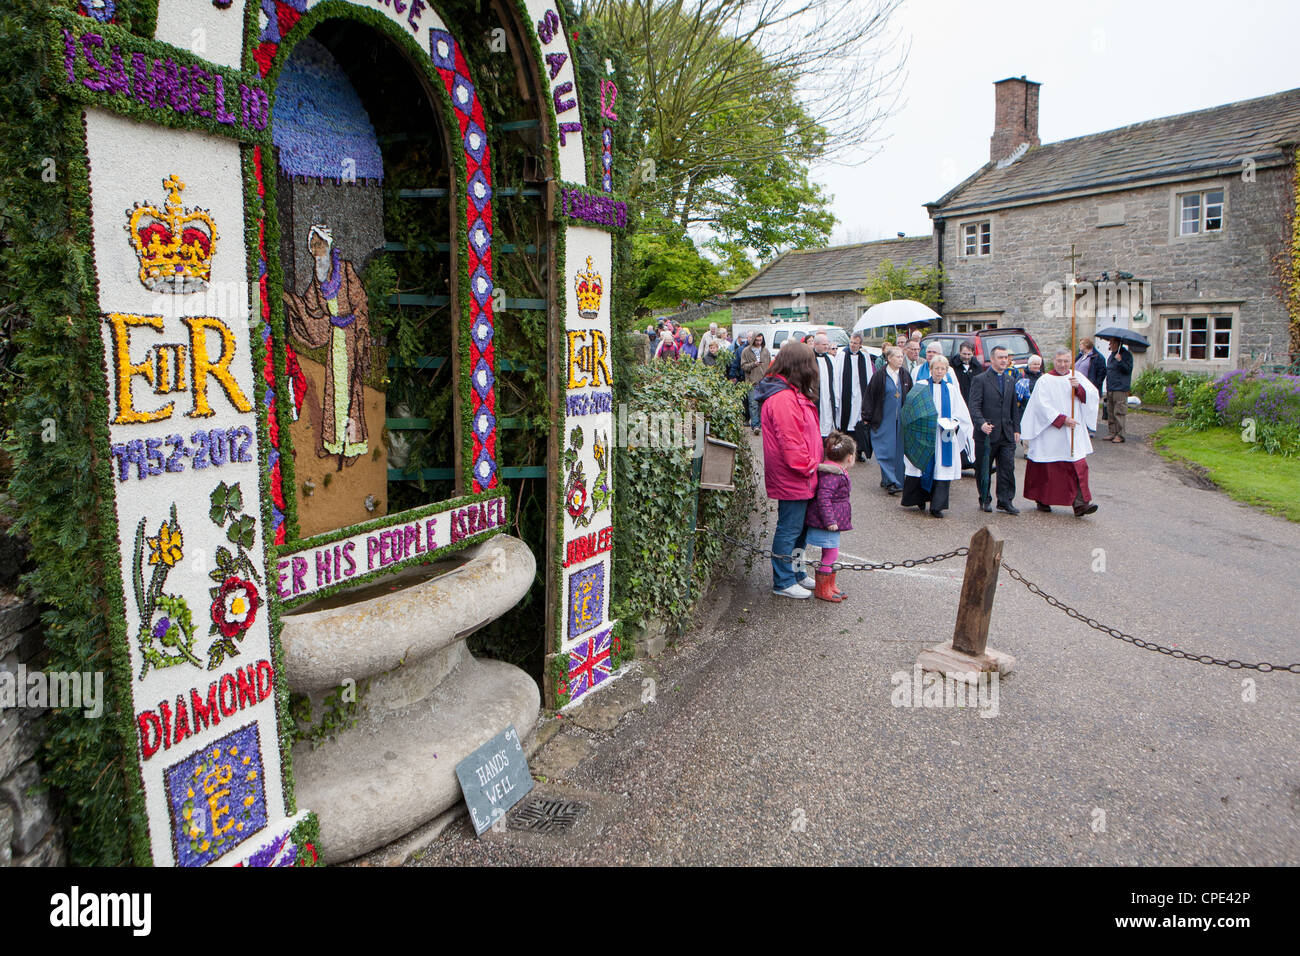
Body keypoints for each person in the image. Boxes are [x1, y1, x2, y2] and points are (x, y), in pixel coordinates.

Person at [283, 224, 372, 463]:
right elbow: (311, 307)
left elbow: (360, 301)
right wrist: (292, 302)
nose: (316, 250)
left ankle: (352, 444)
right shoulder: (319, 276)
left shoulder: (345, 270)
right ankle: (333, 443)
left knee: (351, 392)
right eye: (313, 246)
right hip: (335, 337)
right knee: (334, 391)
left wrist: (360, 330)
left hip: (350, 336)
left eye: (319, 245)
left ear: (328, 245)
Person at [752, 343, 823, 599]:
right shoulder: (783, 397)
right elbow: (790, 442)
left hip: (803, 476)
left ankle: (796, 572)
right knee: (790, 528)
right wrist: (810, 466)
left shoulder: (791, 392)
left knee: (801, 529)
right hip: (794, 476)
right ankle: (783, 580)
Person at [1021, 349, 1100, 516]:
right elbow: (1041, 405)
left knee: (1077, 465)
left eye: (1066, 361)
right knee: (1047, 468)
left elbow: (1091, 396)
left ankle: (1081, 504)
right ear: (1053, 361)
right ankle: (1043, 499)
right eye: (1059, 361)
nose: (1062, 364)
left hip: (1073, 431)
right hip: (1050, 431)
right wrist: (1061, 419)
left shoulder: (1076, 377)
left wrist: (1078, 389)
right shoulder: (1045, 380)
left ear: (1070, 361)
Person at [901, 354, 974, 518]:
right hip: (924, 434)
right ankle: (919, 498)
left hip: (943, 436)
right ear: (931, 369)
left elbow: (960, 412)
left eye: (943, 369)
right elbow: (911, 407)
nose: (939, 372)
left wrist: (953, 422)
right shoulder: (921, 386)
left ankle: (937, 505)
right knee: (921, 464)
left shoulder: (951, 389)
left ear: (947, 371)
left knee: (941, 468)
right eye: (936, 368)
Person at [968, 345, 1022, 514]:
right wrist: (981, 423)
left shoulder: (1011, 381)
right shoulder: (980, 379)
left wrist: (1016, 429)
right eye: (1000, 357)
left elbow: (1014, 408)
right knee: (984, 468)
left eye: (1006, 357)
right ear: (992, 360)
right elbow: (974, 405)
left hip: (1006, 433)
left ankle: (1005, 500)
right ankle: (984, 498)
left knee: (1007, 468)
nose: (1004, 360)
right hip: (987, 433)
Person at [804, 431, 856, 603]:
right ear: (849, 457)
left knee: (831, 553)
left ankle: (829, 584)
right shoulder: (833, 474)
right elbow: (824, 497)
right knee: (831, 554)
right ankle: (822, 588)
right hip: (828, 523)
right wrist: (830, 521)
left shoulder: (836, 472)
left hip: (833, 521)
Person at [863, 344, 911, 495]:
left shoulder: (904, 374)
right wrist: (867, 416)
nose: (900, 359)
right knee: (886, 450)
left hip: (900, 419)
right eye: (897, 357)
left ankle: (895, 480)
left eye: (902, 357)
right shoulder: (879, 375)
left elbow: (909, 394)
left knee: (899, 451)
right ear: (889, 358)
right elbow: (870, 396)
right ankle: (890, 480)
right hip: (883, 418)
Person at [837, 332, 873, 462]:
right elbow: (838, 375)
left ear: (860, 344)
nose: (852, 345)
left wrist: (868, 395)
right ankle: (845, 452)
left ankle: (858, 451)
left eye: (855, 343)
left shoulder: (865, 357)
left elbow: (869, 376)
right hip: (846, 394)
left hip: (860, 394)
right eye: (851, 342)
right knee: (846, 422)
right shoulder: (842, 355)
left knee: (859, 422)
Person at [740, 333, 772, 433]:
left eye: (760, 340)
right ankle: (755, 425)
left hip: (764, 381)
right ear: (753, 340)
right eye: (757, 340)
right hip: (751, 382)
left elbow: (769, 365)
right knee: (753, 404)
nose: (758, 342)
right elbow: (743, 366)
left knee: (762, 405)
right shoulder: (746, 351)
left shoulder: (765, 351)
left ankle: (761, 424)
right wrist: (753, 365)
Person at [1104, 337, 1133, 443]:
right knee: (1110, 411)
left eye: (1111, 343)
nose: (1110, 345)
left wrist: (1120, 361)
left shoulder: (1126, 355)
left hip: (1121, 388)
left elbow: (1128, 370)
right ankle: (1112, 432)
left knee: (1119, 412)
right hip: (1111, 387)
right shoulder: (1112, 355)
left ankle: (1120, 435)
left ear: (1117, 343)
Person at [1075, 337, 1106, 437]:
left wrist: (1095, 384)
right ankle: (1081, 426)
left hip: (1090, 386)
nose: (1079, 347)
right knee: (1080, 406)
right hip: (1079, 385)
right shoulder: (1081, 356)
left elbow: (1102, 372)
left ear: (1086, 345)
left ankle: (1090, 428)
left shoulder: (1097, 357)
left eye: (1081, 344)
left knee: (1090, 407)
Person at [811, 333, 839, 437]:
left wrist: (836, 399)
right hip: (816, 397)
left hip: (828, 398)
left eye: (827, 344)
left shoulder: (831, 359)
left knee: (828, 423)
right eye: (824, 344)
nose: (826, 347)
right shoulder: (810, 359)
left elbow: (835, 380)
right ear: (816, 344)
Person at [1016, 353, 1044, 418]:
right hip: (1024, 409)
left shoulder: (1042, 377)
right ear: (1029, 365)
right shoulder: (1022, 376)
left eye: (1038, 364)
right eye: (1034, 364)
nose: (1036, 366)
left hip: (1038, 409)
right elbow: (1016, 393)